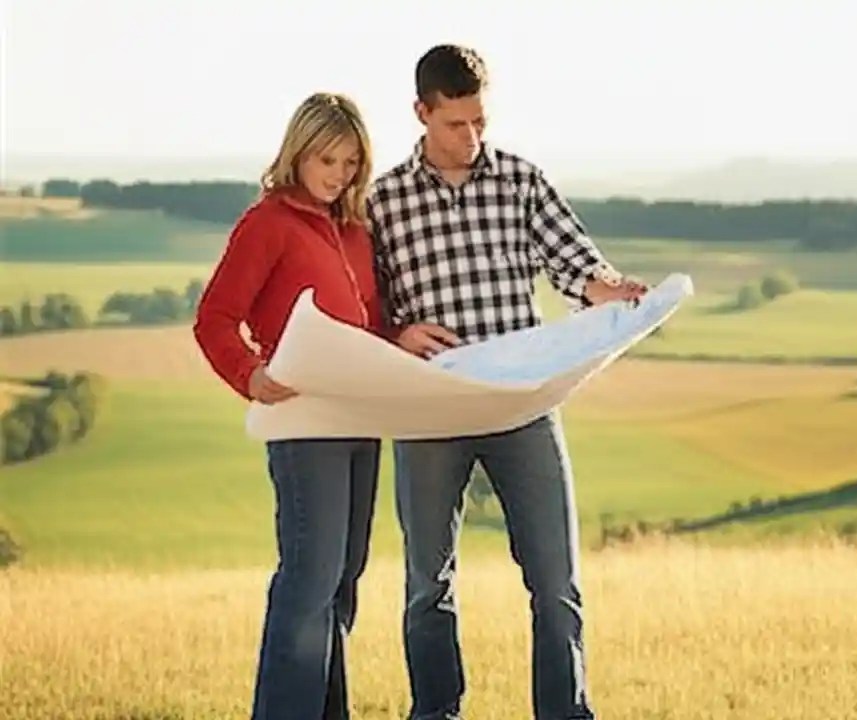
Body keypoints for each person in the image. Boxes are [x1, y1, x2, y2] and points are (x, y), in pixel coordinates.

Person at [366, 44, 647, 720]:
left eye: (479, 122)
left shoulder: (520, 181)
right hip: (430, 413)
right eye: (456, 123)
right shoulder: (383, 202)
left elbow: (573, 259)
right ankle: (435, 712)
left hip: (524, 405)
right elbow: (364, 305)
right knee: (426, 584)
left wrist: (602, 287)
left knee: (556, 582)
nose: (471, 137)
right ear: (421, 113)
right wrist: (395, 334)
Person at [192, 91, 420, 720]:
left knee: (343, 583)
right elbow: (214, 319)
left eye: (351, 162)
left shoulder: (354, 231)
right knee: (309, 580)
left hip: (360, 420)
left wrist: (398, 344)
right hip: (303, 423)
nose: (340, 174)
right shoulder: (267, 224)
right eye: (328, 158)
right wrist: (250, 374)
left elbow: (368, 323)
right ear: (299, 152)